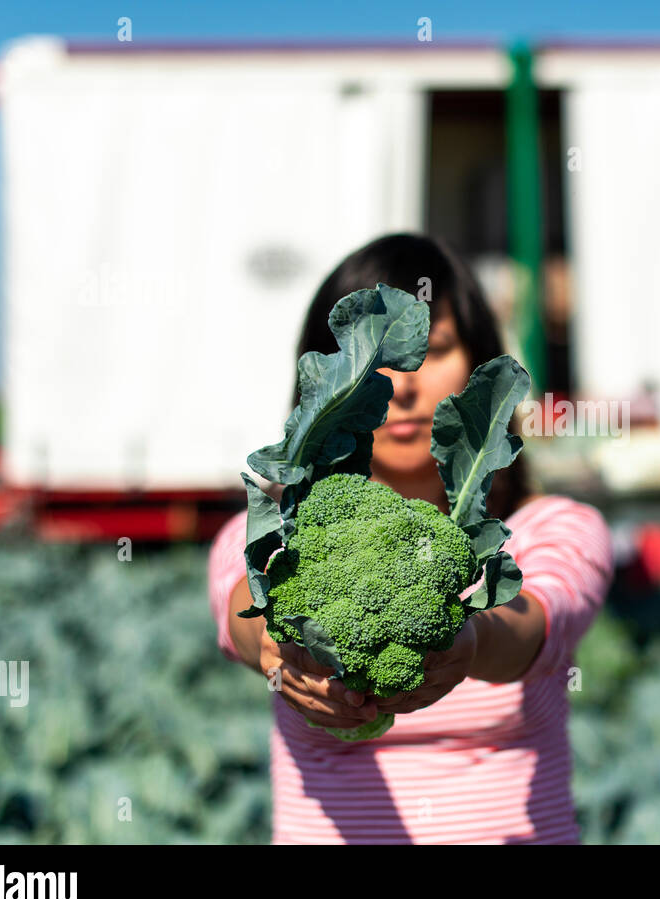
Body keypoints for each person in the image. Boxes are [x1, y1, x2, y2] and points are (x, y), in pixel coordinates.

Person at [207, 233, 613, 844]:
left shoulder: (553, 528)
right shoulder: (272, 535)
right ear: (328, 386)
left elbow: (541, 621)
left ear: (477, 361)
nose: (403, 385)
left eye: (436, 349)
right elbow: (238, 608)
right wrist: (276, 651)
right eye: (373, 364)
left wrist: (472, 638)